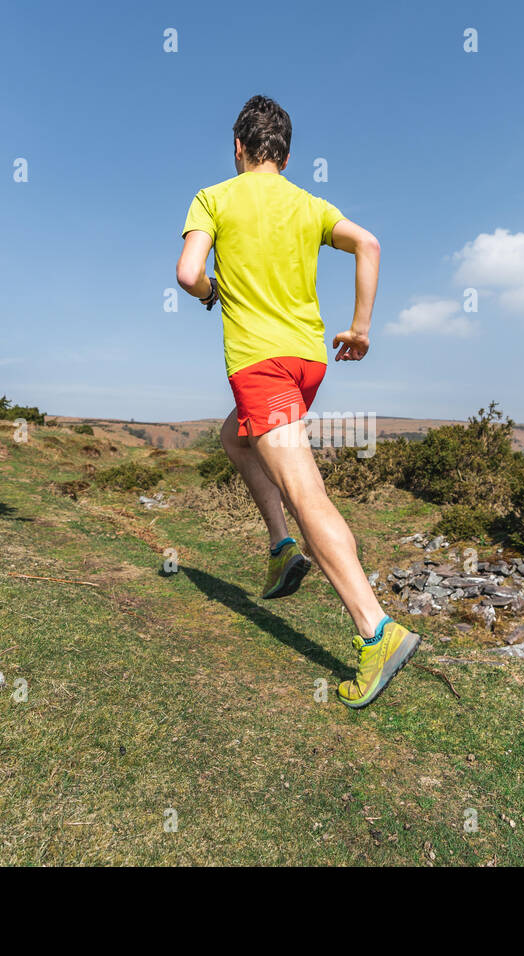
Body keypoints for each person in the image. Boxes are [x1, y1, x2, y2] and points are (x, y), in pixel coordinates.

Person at [175, 95, 419, 708]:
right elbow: (370, 244)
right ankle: (282, 549)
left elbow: (187, 273)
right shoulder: (310, 205)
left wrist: (213, 293)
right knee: (235, 437)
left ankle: (377, 631)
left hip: (260, 365)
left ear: (238, 147)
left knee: (308, 493)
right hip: (307, 362)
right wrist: (360, 328)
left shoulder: (214, 197)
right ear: (284, 153)